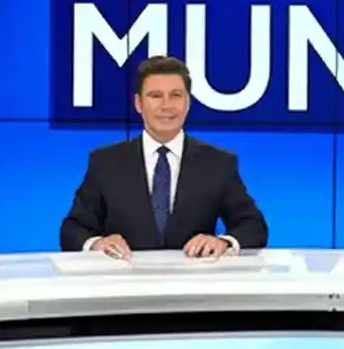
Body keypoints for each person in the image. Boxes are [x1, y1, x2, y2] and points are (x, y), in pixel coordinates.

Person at [59, 55, 268, 259]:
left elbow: (253, 226)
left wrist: (223, 242)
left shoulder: (218, 163)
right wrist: (97, 243)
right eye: (155, 96)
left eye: (176, 95)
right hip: (123, 279)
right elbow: (73, 229)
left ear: (188, 102)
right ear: (138, 103)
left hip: (194, 280)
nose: (167, 105)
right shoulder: (106, 162)